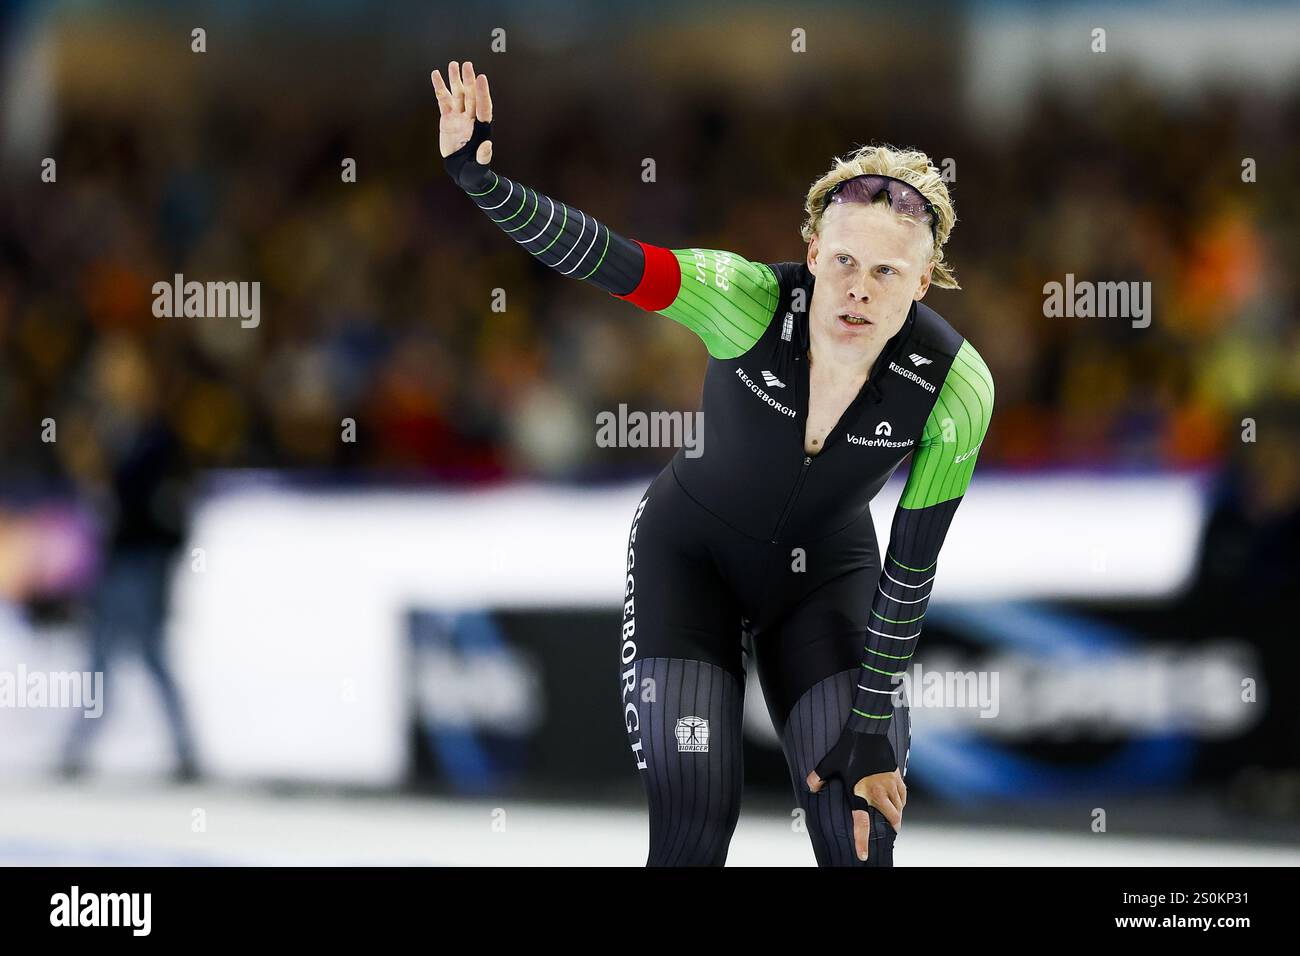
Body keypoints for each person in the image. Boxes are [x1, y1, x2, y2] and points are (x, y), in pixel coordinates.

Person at [434, 60, 993, 866]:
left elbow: (911, 570)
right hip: (690, 562)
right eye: (841, 261)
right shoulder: (745, 298)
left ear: (925, 282)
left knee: (858, 834)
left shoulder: (956, 387)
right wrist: (480, 183)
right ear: (810, 250)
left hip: (825, 580)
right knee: (696, 825)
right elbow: (604, 256)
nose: (856, 291)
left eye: (885, 273)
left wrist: (872, 728)